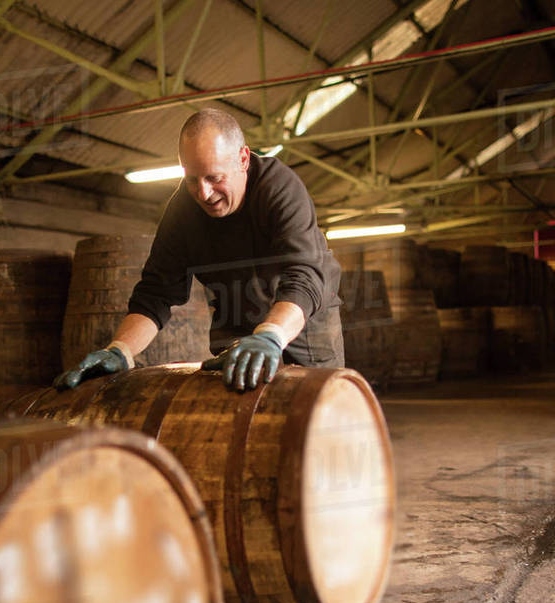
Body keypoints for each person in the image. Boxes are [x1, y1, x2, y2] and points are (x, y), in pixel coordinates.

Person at [54, 107, 344, 392]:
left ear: (243, 159)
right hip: (236, 312)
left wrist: (271, 335)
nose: (204, 194)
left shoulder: (278, 188)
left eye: (215, 178)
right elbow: (155, 293)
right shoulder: (182, 211)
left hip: (302, 314)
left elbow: (305, 276)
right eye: (192, 179)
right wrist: (120, 350)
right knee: (230, 403)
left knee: (314, 399)